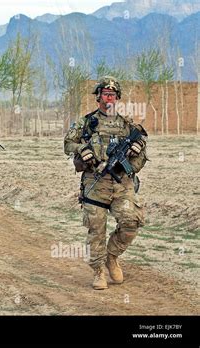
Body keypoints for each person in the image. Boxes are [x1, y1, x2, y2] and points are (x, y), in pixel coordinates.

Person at [63, 76, 148, 290]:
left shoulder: (127, 124)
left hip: (122, 185)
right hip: (95, 182)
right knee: (96, 230)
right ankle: (98, 271)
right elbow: (68, 143)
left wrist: (135, 156)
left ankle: (112, 256)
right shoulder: (86, 122)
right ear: (98, 97)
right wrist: (83, 150)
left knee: (131, 222)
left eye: (112, 94)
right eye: (105, 94)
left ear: (117, 97)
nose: (108, 98)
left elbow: (141, 150)